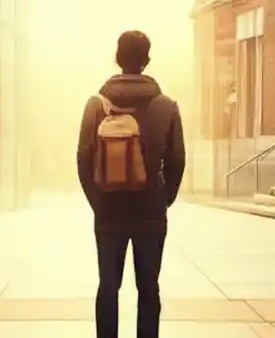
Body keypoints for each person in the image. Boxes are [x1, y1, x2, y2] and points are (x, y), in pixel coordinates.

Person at [77, 30, 186, 338]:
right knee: (148, 288)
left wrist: (98, 201)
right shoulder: (166, 106)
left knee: (108, 287)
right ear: (147, 61)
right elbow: (177, 159)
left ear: (117, 58)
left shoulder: (95, 105)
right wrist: (163, 199)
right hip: (150, 213)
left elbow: (83, 158)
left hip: (109, 212)